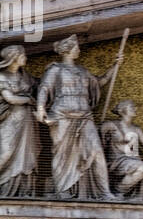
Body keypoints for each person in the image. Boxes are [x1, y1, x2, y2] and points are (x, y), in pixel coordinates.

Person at [35, 34, 118, 200]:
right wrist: (40, 107)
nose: (78, 50)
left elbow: (100, 82)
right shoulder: (55, 70)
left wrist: (116, 65)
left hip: (85, 116)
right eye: (76, 47)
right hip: (62, 116)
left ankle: (105, 191)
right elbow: (44, 88)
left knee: (96, 151)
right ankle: (62, 189)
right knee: (62, 155)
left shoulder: (83, 71)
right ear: (67, 50)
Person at [0, 44, 39, 197]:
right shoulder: (2, 77)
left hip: (27, 121)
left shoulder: (26, 76)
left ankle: (22, 189)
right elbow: (10, 98)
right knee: (6, 152)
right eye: (23, 55)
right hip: (10, 120)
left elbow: (41, 86)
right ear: (14, 58)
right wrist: (29, 100)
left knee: (28, 154)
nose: (26, 58)